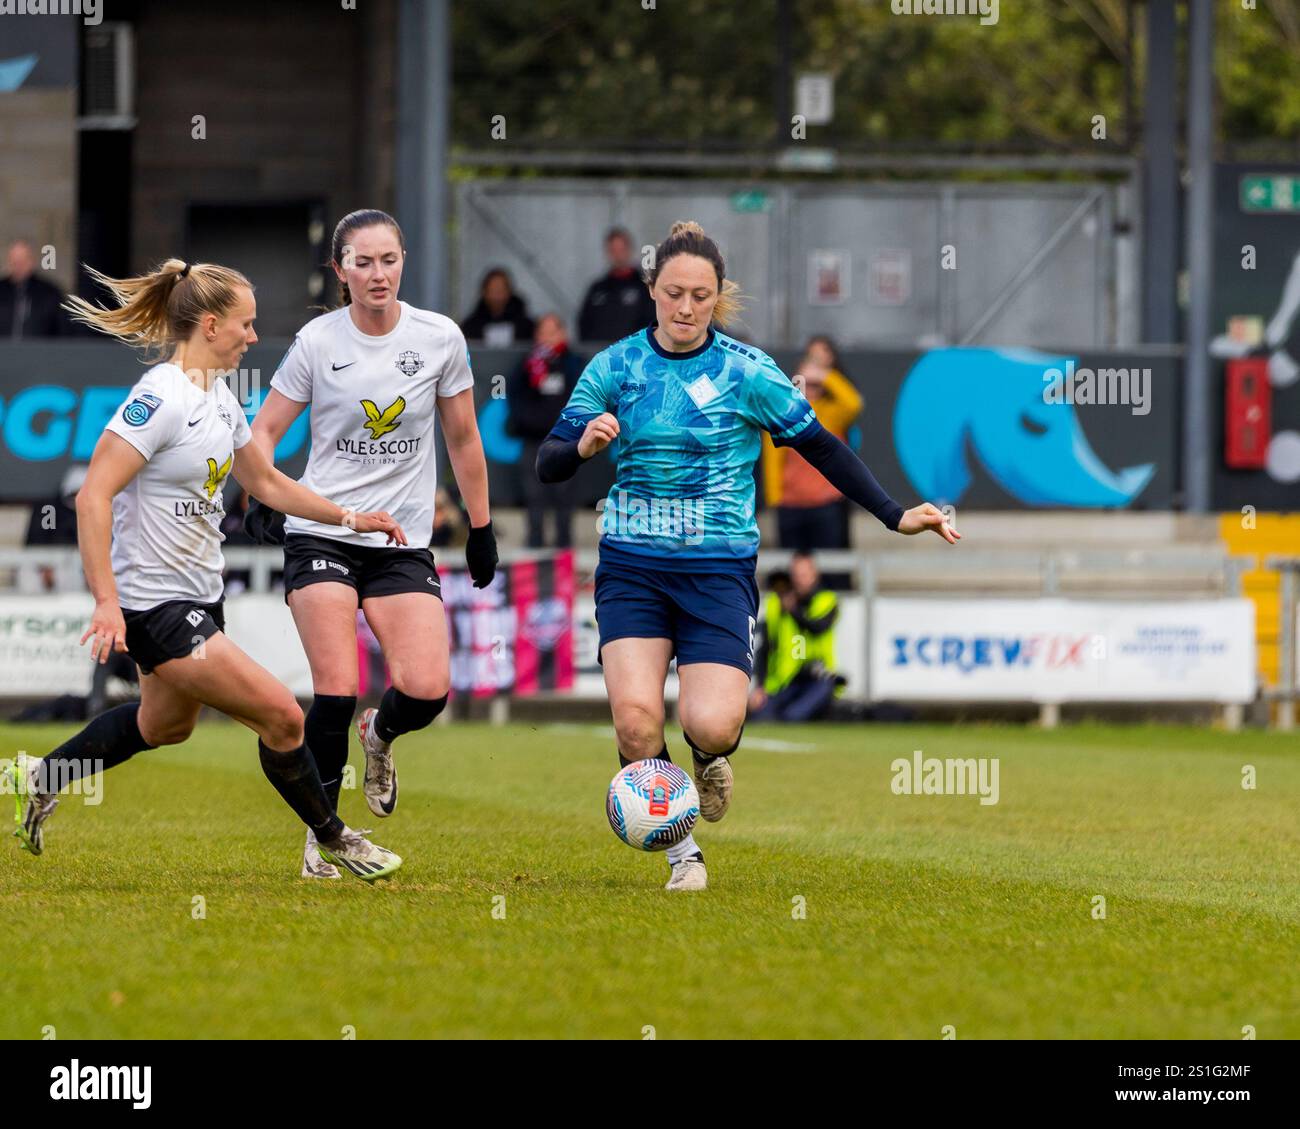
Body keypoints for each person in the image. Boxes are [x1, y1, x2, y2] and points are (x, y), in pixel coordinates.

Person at [536, 221, 960, 892]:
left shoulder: (746, 370)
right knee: (637, 721)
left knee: (712, 720)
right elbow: (548, 462)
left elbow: (822, 444)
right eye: (673, 292)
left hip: (717, 568)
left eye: (700, 296)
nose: (685, 308)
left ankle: (707, 756)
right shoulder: (614, 367)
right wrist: (584, 446)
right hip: (633, 566)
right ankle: (684, 853)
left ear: (716, 296)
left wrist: (895, 513)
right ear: (652, 289)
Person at [6, 258, 405, 881]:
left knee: (163, 726)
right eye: (246, 325)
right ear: (212, 325)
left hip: (199, 596)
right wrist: (106, 602)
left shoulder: (218, 395)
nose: (253, 337)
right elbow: (92, 496)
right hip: (153, 606)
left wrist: (353, 518)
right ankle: (334, 839)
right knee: (281, 714)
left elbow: (266, 481)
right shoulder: (159, 398)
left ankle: (44, 774)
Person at [248, 208, 497, 879]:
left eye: (388, 259)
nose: (377, 273)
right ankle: (322, 835)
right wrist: (260, 495)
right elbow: (264, 431)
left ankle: (379, 736)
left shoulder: (440, 338)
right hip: (322, 530)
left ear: (403, 262)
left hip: (400, 540)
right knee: (336, 689)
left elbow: (464, 438)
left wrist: (481, 526)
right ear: (341, 270)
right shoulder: (316, 341)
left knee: (427, 688)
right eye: (363, 261)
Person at [763, 336, 862, 550]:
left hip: (826, 504)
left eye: (817, 384)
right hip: (790, 505)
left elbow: (853, 403)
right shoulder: (784, 412)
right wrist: (776, 499)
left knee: (831, 567)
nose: (812, 387)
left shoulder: (830, 413)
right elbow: (772, 458)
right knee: (793, 569)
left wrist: (825, 374)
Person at [506, 312, 583, 548]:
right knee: (534, 495)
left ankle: (564, 547)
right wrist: (528, 422)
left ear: (562, 334)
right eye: (543, 332)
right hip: (533, 441)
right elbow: (515, 398)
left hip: (565, 440)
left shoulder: (573, 362)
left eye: (553, 331)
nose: (548, 337)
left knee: (564, 495)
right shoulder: (526, 364)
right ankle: (535, 545)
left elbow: (583, 398)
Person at [749, 552, 843, 722]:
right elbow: (766, 649)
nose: (800, 580)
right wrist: (760, 687)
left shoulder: (828, 600)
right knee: (760, 717)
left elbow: (817, 628)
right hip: (785, 681)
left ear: (815, 574)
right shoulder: (775, 604)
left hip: (817, 678)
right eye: (796, 575)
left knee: (793, 716)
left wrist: (793, 610)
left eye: (805, 575)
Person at [577, 227, 654, 343]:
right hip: (600, 354)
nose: (618, 255)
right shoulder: (597, 288)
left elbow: (653, 322)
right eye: (613, 250)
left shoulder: (644, 286)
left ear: (629, 250)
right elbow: (583, 323)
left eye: (621, 249)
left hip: (634, 353)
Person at [0, 239, 68, 338]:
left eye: (22, 262)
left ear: (31, 261)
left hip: (42, 351)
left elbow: (63, 329)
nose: (18, 267)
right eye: (15, 262)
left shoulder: (50, 293)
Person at [460, 267, 534, 346]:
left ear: (509, 292)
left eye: (501, 290)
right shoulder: (470, 326)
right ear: (484, 292)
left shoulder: (527, 326)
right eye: (492, 290)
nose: (497, 296)